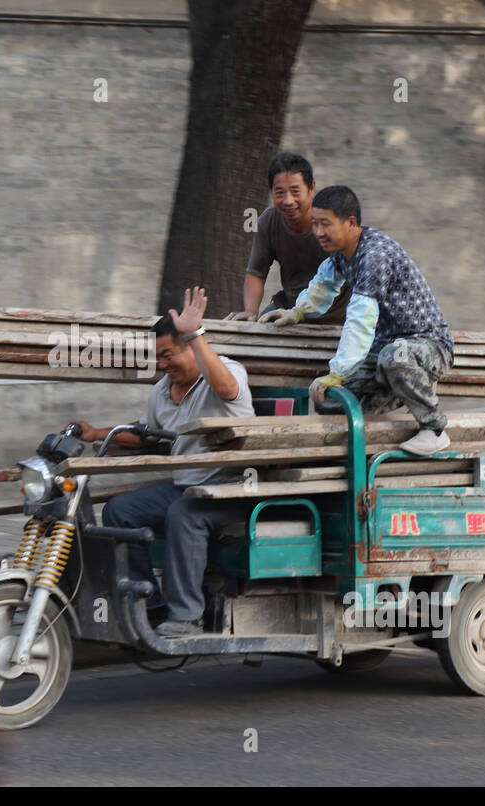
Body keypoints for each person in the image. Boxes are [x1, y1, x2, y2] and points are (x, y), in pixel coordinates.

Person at [72, 288, 254, 638]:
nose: (161, 364)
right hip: (187, 487)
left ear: (190, 346)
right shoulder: (163, 390)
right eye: (157, 357)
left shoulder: (226, 372)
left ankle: (186, 616)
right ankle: (148, 602)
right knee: (119, 511)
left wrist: (196, 334)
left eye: (167, 354)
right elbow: (146, 435)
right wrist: (96, 433)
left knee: (184, 515)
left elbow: (228, 388)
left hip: (234, 489)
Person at [261, 185, 454, 456]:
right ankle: (402, 390)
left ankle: (434, 429)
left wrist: (338, 372)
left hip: (429, 345)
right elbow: (323, 285)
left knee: (394, 359)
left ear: (351, 223)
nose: (318, 232)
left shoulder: (374, 254)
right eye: (315, 224)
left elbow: (360, 319)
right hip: (386, 350)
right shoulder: (342, 255)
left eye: (325, 224)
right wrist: (296, 312)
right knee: (333, 402)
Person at [224, 151, 349, 324]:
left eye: (295, 191)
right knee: (255, 332)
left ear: (312, 188)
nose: (288, 201)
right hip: (289, 306)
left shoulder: (333, 221)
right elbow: (256, 273)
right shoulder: (268, 221)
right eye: (280, 192)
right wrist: (250, 312)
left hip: (335, 313)